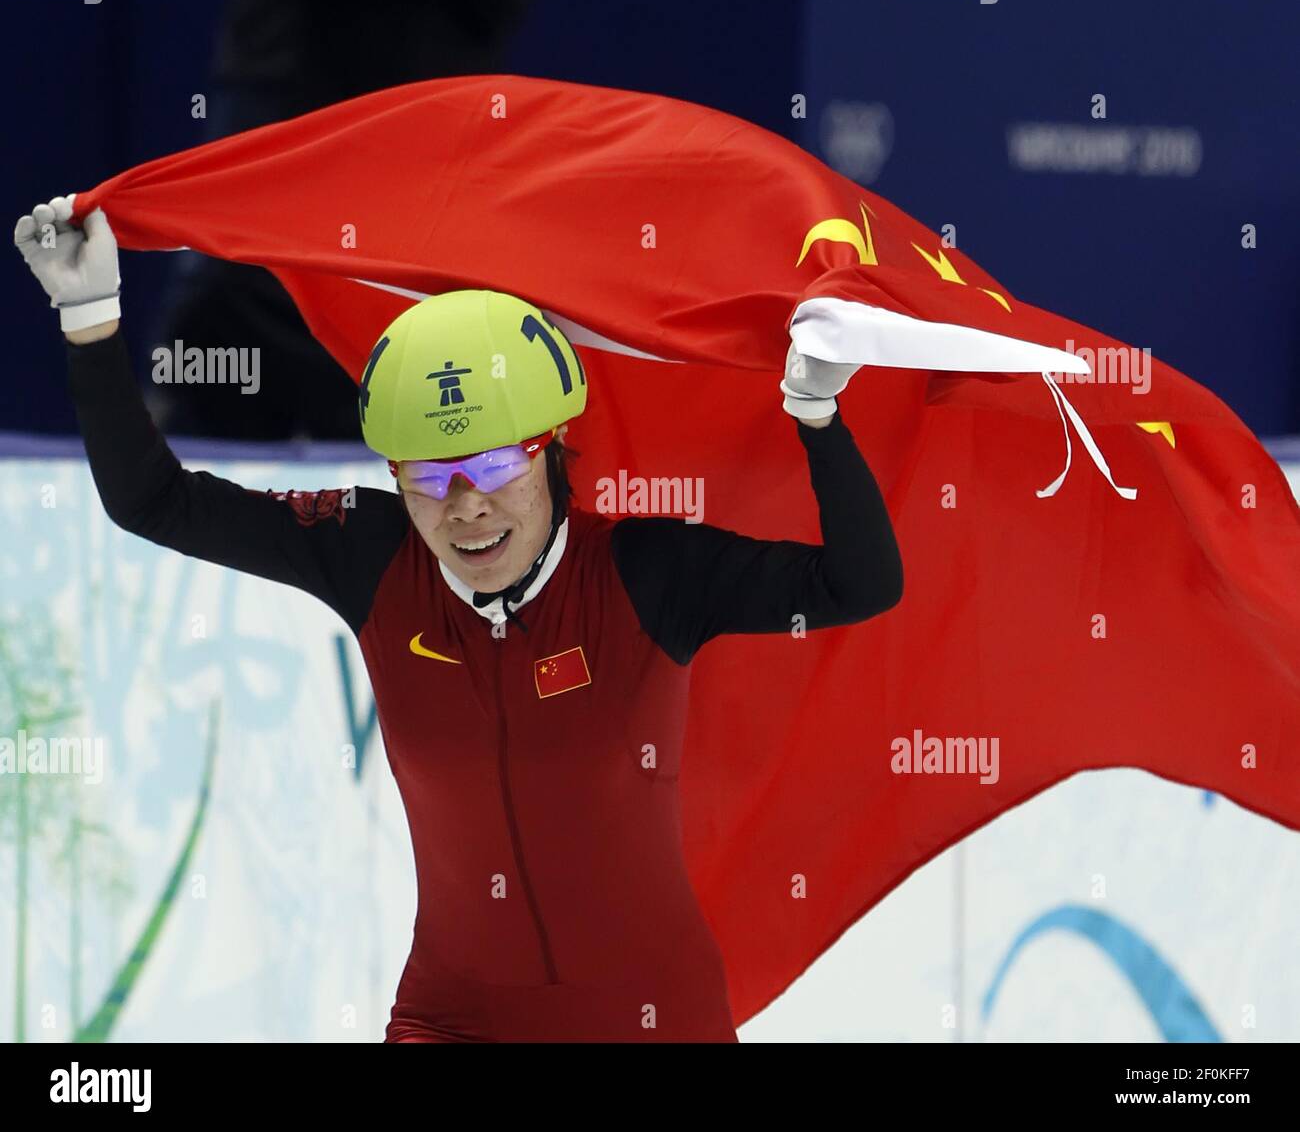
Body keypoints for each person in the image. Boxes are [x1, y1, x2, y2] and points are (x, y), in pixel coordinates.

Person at [15, 195, 904, 1043]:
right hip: (452, 1021)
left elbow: (859, 585)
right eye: (430, 477)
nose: (466, 508)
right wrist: (90, 320)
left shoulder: (647, 571)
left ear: (550, 448)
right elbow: (156, 502)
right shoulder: (370, 555)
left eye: (492, 467)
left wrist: (817, 416)